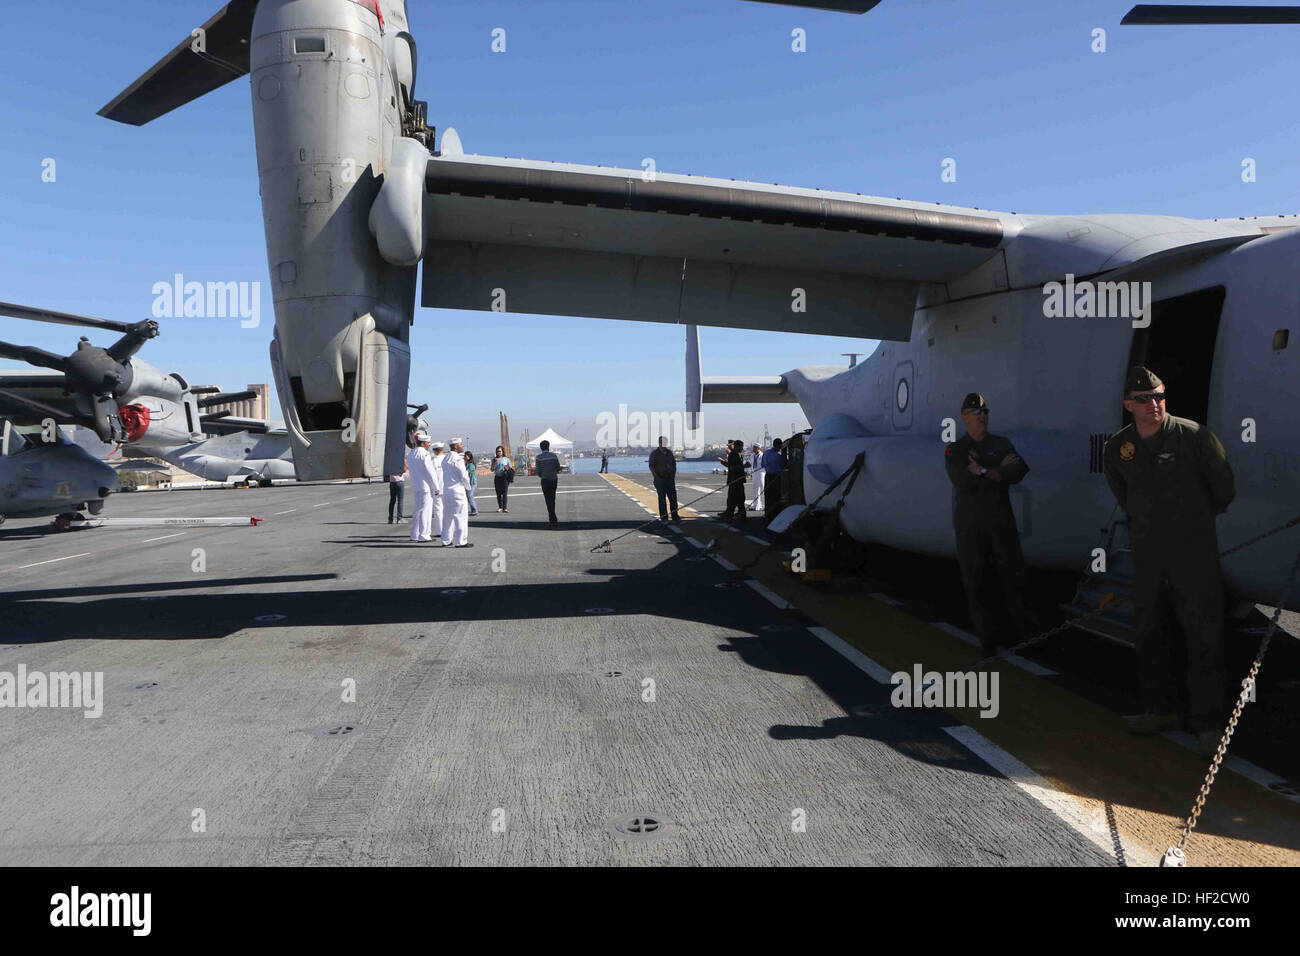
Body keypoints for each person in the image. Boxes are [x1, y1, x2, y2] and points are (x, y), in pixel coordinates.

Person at [1103, 367, 1235, 751]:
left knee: (1203, 635)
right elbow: (1122, 492)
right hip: (1147, 554)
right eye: (1144, 399)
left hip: (1193, 554)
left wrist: (1190, 524)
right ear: (1129, 404)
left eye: (1159, 396)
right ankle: (1159, 708)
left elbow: (1224, 489)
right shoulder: (1119, 448)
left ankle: (1208, 722)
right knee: (1149, 630)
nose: (1154, 404)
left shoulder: (1194, 437)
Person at [944, 393, 1032, 658]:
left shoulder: (1002, 443)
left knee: (1014, 578)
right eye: (975, 412)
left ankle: (1028, 639)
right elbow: (962, 481)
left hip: (1000, 522)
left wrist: (982, 470)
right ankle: (988, 642)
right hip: (970, 526)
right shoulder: (956, 450)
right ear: (964, 418)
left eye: (984, 411)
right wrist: (998, 472)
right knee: (977, 582)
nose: (982, 415)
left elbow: (1019, 472)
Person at [441, 438, 473, 547]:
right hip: (457, 490)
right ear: (455, 446)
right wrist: (468, 486)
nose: (462, 446)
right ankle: (461, 541)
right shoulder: (458, 459)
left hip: (447, 491)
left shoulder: (445, 458)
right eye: (460, 444)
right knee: (461, 516)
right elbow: (463, 475)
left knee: (447, 517)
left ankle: (446, 540)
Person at [406, 432, 434, 542]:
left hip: (416, 486)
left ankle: (415, 534)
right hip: (425, 487)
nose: (429, 444)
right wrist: (436, 487)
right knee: (425, 511)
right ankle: (424, 535)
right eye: (428, 442)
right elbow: (430, 472)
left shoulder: (411, 454)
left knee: (417, 510)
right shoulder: (425, 454)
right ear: (423, 443)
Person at [648, 435, 680, 521]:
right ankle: (664, 516)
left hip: (669, 478)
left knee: (673, 498)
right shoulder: (655, 453)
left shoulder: (669, 453)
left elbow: (674, 464)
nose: (665, 443)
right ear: (659, 443)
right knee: (662, 499)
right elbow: (651, 466)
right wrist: (657, 477)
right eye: (663, 442)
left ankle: (675, 515)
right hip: (660, 479)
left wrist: (673, 475)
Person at [534, 439, 562, 527]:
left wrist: (542, 475)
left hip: (545, 480)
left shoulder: (538, 457)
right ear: (548, 447)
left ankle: (552, 518)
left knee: (547, 499)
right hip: (553, 479)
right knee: (553, 498)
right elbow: (558, 467)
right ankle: (553, 518)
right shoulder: (553, 456)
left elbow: (538, 471)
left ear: (541, 448)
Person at [719, 439, 747, 522]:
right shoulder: (734, 455)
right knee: (739, 498)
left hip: (735, 480)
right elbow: (732, 467)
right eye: (741, 446)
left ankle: (731, 513)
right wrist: (744, 466)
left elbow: (730, 466)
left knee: (734, 498)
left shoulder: (736, 454)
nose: (742, 448)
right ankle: (738, 514)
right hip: (736, 480)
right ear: (737, 446)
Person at [761, 438, 785, 522]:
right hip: (775, 477)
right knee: (775, 496)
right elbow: (783, 466)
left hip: (767, 476)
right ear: (779, 445)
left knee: (768, 496)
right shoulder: (778, 456)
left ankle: (767, 514)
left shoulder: (765, 453)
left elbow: (762, 464)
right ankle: (774, 515)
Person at [428, 440, 447, 538]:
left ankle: (440, 531)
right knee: (448, 509)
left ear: (434, 451)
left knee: (438, 510)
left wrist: (435, 488)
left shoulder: (433, 461)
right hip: (448, 488)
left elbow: (432, 476)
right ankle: (449, 529)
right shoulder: (447, 459)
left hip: (437, 488)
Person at [491, 445, 513, 512]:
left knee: (504, 493)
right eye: (498, 451)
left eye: (500, 451)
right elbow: (492, 469)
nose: (499, 452)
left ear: (503, 451)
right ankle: (500, 507)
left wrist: (507, 468)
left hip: (504, 478)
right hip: (497, 478)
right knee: (498, 493)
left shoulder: (506, 459)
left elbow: (510, 468)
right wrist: (494, 464)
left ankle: (505, 508)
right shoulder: (494, 459)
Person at [388, 458, 407, 524]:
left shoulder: (390, 460)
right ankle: (399, 518)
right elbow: (404, 470)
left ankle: (390, 519)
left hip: (392, 481)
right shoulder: (401, 459)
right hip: (400, 481)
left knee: (392, 501)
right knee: (400, 501)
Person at [749, 443, 765, 513]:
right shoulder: (752, 455)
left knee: (762, 489)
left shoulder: (762, 455)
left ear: (758, 448)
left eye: (754, 448)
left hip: (761, 473)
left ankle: (764, 505)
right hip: (754, 473)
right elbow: (750, 463)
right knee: (755, 489)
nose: (753, 449)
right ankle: (756, 505)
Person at [464, 451, 479, 517]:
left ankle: (475, 510)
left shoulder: (471, 465)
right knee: (469, 496)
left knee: (470, 496)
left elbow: (467, 472)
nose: (464, 457)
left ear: (469, 457)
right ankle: (473, 510)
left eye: (466, 456)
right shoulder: (467, 464)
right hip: (469, 482)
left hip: (472, 482)